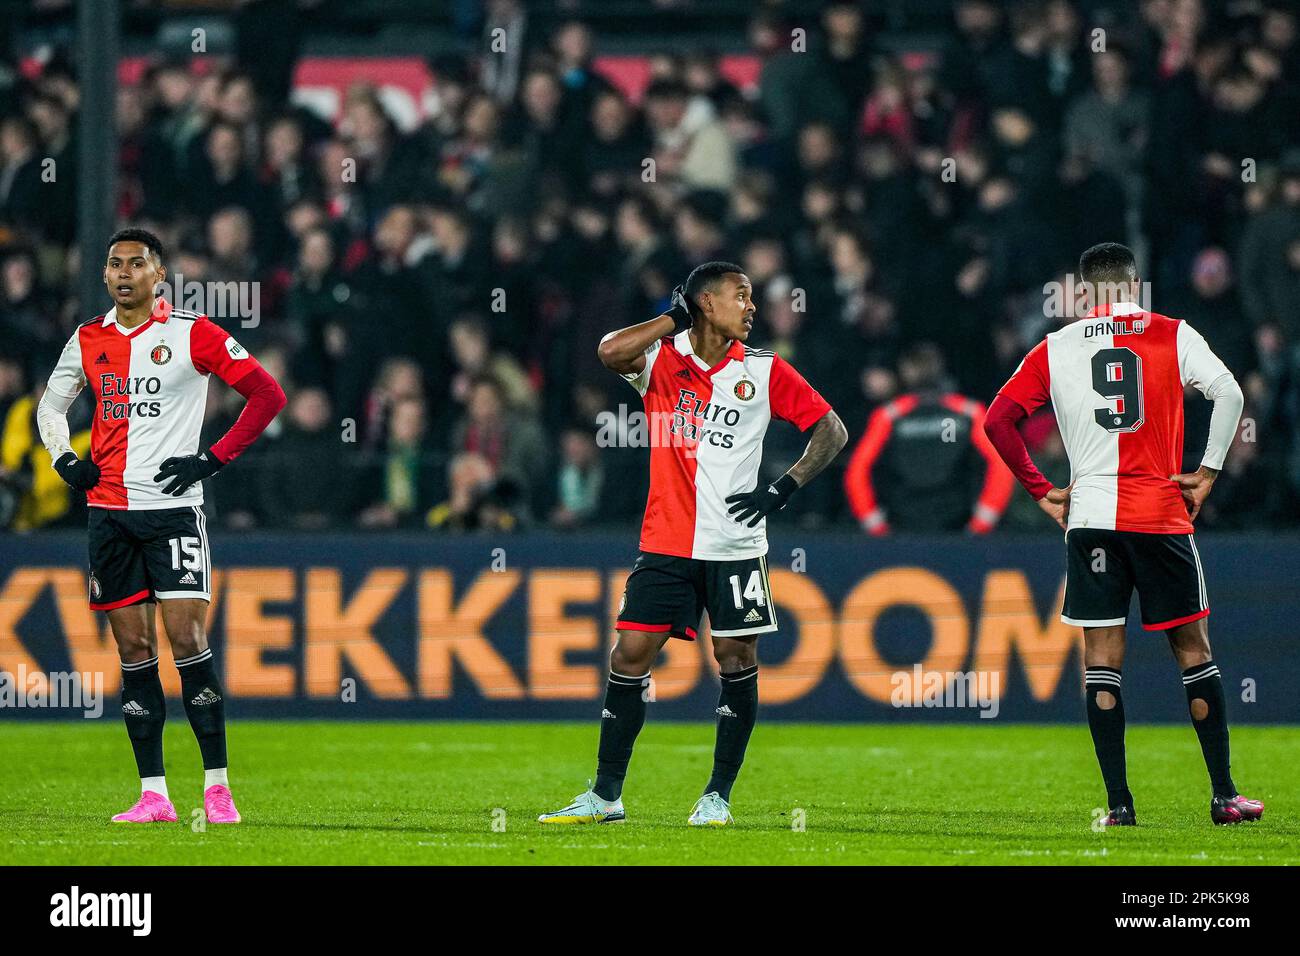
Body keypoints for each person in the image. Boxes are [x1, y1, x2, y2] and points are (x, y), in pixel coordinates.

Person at [538, 261, 847, 827]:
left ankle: (718, 796)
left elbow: (831, 430)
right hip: (666, 541)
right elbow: (608, 352)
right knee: (630, 654)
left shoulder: (765, 369)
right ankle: (607, 796)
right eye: (741, 296)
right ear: (705, 303)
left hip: (735, 545)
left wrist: (783, 488)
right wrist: (669, 319)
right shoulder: (661, 358)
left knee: (735, 658)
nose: (752, 307)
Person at [984, 242, 1262, 826]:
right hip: (1160, 514)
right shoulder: (1173, 334)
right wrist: (1208, 471)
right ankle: (1223, 795)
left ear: (1083, 294)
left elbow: (997, 420)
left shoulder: (1055, 348)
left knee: (1102, 660)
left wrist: (1040, 489)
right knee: (1194, 653)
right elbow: (1231, 392)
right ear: (1134, 288)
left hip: (1090, 520)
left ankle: (1118, 804)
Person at [36, 228, 286, 825]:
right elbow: (51, 404)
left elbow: (267, 394)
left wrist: (212, 459)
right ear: (104, 276)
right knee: (133, 651)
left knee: (187, 643)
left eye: (137, 264)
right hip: (109, 514)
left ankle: (218, 787)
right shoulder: (88, 337)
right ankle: (154, 795)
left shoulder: (193, 334)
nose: (124, 273)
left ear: (159, 277)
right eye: (114, 263)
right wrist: (64, 459)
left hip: (173, 511)